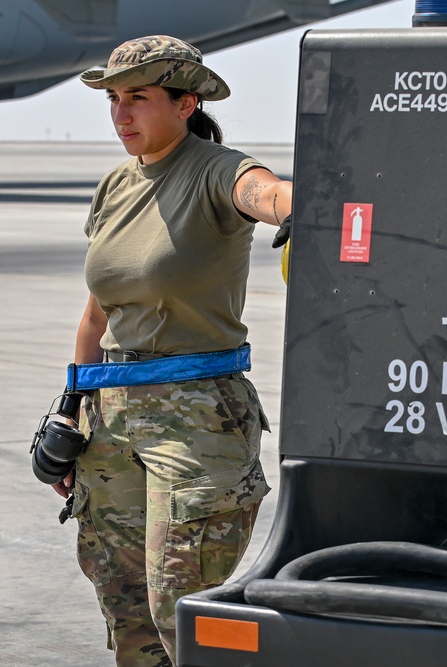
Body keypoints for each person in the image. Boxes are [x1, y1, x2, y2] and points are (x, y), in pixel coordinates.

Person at [51, 35, 292, 666]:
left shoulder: (214, 169)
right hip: (112, 416)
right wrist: (70, 408)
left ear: (186, 103)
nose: (121, 114)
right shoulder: (115, 186)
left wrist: (297, 205)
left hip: (198, 418)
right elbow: (97, 313)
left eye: (138, 98)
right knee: (123, 600)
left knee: (182, 605)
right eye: (113, 99)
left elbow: (262, 191)